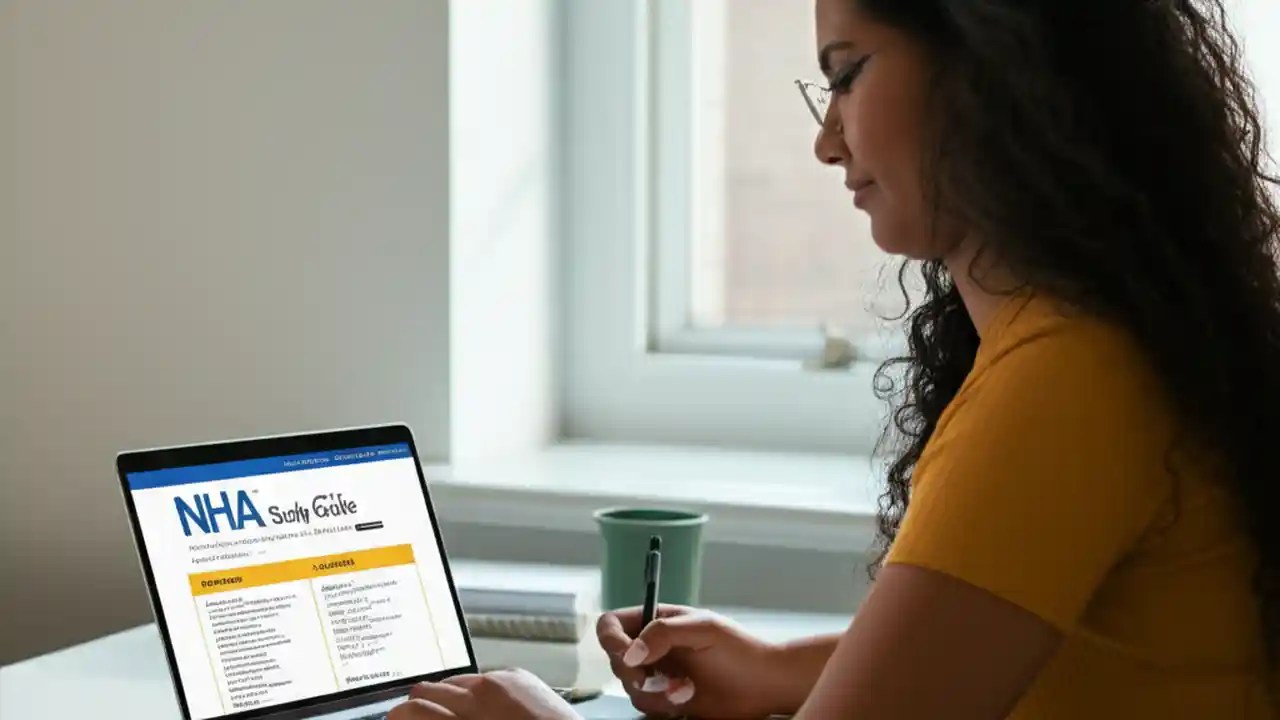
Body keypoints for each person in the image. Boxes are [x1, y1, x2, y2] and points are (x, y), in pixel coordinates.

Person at [391, 0, 1280, 717]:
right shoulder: (1113, 339)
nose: (827, 141)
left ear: (994, 60)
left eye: (847, 74)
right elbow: (1038, 644)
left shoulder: (1064, 381)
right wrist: (782, 669)